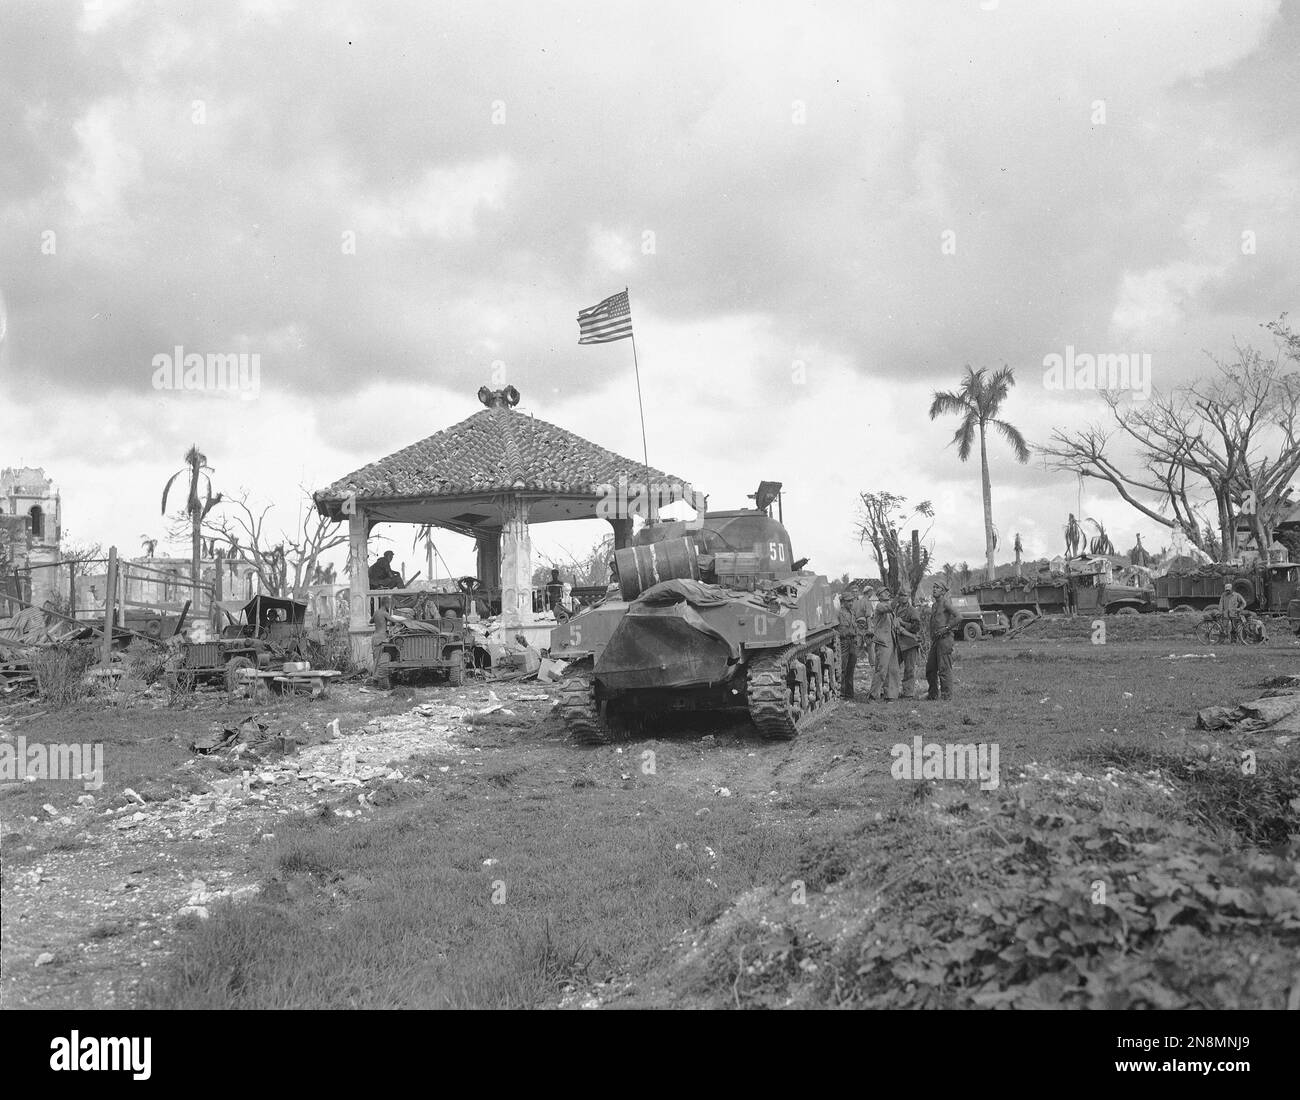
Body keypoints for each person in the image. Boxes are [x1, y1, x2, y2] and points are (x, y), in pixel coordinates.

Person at [926, 580, 962, 701]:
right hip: (936, 640)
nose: (934, 589)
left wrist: (946, 628)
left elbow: (959, 616)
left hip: (945, 639)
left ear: (942, 591)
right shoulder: (934, 605)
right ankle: (933, 695)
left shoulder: (946, 603)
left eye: (937, 587)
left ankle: (947, 696)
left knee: (944, 668)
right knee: (930, 668)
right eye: (933, 587)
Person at [868, 587, 901, 701]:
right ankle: (873, 695)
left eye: (887, 591)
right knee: (881, 670)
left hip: (891, 642)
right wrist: (898, 595)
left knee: (892, 670)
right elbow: (890, 607)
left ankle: (890, 695)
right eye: (884, 592)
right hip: (883, 643)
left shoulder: (890, 610)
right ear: (879, 596)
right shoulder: (880, 606)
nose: (887, 593)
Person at [893, 591, 922, 699]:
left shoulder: (912, 611)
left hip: (910, 643)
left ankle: (908, 693)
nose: (903, 597)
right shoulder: (895, 609)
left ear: (908, 597)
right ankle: (892, 691)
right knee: (893, 667)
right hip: (897, 643)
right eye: (901, 595)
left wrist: (903, 623)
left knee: (909, 669)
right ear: (898, 597)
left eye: (905, 595)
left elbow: (916, 627)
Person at [837, 589, 859, 699]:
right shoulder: (839, 613)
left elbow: (855, 627)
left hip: (853, 642)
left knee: (851, 668)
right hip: (843, 642)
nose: (851, 603)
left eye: (852, 601)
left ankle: (850, 693)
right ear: (843, 602)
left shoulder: (852, 613)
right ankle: (841, 693)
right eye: (848, 601)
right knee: (842, 668)